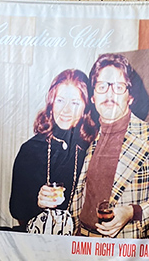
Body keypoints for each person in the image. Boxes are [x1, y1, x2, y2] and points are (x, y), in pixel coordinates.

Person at [70, 53, 149, 238]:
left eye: (118, 86)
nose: (109, 94)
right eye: (102, 86)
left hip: (127, 253)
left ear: (130, 96)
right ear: (92, 97)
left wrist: (134, 212)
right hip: (82, 244)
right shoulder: (86, 138)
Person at [9, 69, 97, 231]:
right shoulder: (30, 149)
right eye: (60, 100)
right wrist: (38, 202)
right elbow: (16, 210)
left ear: (86, 108)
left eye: (75, 103)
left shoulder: (92, 148)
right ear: (51, 102)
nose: (65, 110)